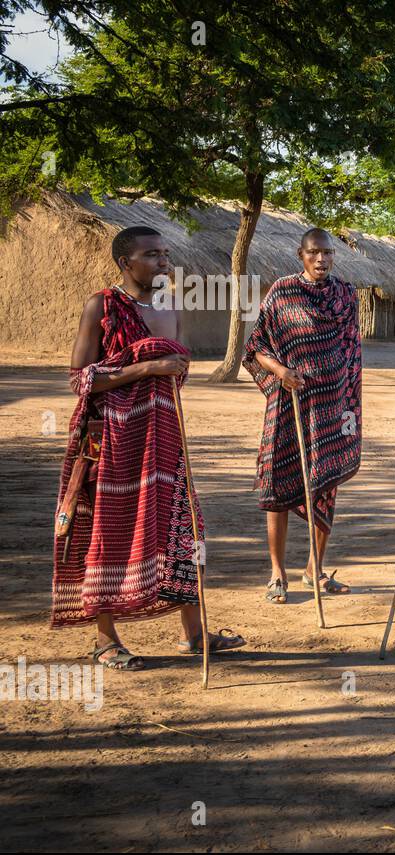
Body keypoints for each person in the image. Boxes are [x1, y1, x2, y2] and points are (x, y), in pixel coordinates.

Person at [53, 226, 245, 668]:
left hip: (164, 438)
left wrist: (165, 370)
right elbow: (80, 378)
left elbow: (177, 372)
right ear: (125, 262)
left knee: (184, 532)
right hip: (112, 440)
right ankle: (105, 638)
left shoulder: (171, 307)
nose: (162, 262)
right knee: (109, 532)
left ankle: (195, 635)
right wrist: (147, 368)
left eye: (165, 253)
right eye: (151, 255)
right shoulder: (101, 306)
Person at [244, 227, 362, 604]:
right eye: (314, 253)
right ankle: (277, 572)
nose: (322, 259)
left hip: (331, 408)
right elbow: (258, 346)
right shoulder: (282, 293)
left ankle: (315, 569)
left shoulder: (346, 296)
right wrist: (281, 372)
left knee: (325, 485)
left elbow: (353, 353)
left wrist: (349, 405)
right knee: (278, 483)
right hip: (289, 403)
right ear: (301, 254)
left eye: (327, 253)